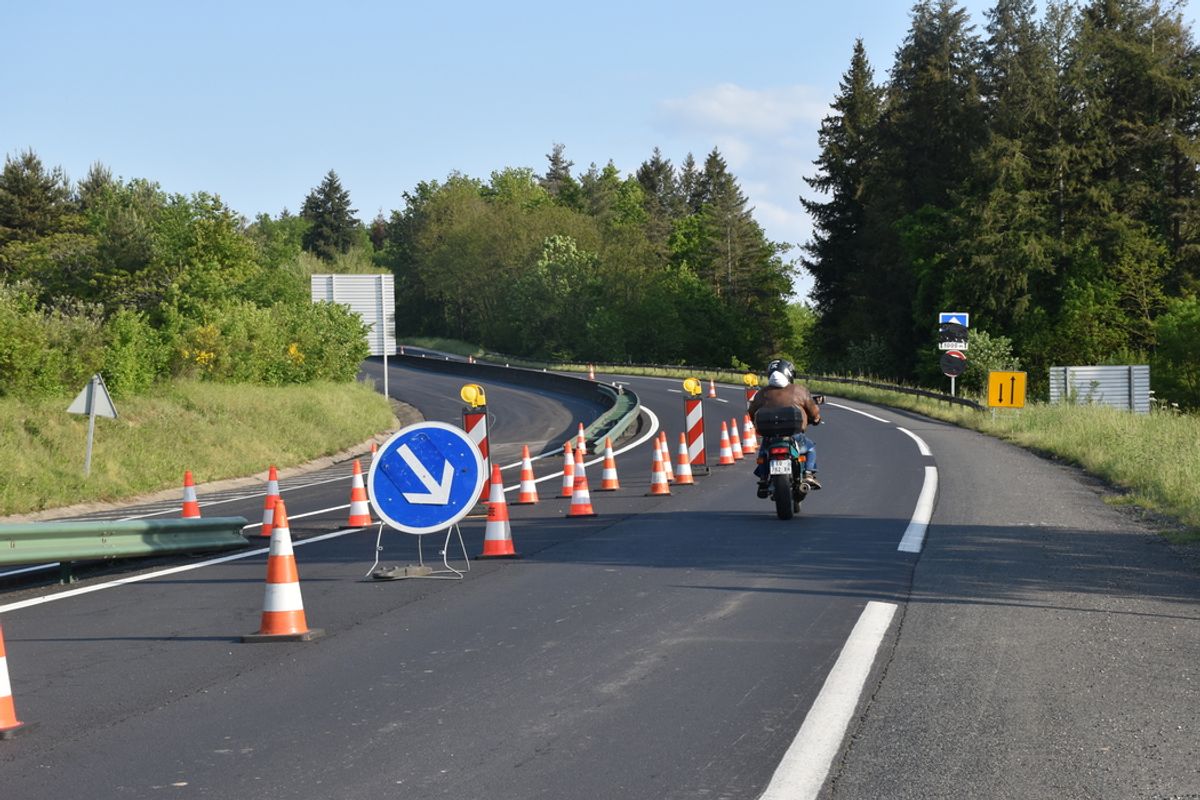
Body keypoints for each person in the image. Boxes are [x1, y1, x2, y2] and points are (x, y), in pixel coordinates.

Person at [747, 358, 822, 497]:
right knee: (810, 448)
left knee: (763, 452)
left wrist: (755, 423)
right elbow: (814, 411)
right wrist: (816, 418)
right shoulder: (799, 390)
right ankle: (808, 473)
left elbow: (752, 412)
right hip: (794, 435)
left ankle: (763, 478)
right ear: (789, 373)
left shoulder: (762, 393)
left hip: (770, 436)